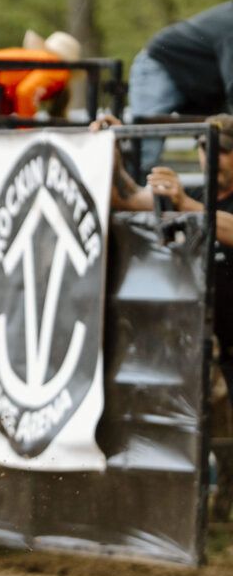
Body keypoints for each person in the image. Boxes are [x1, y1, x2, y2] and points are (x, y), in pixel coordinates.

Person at [97, 112, 233, 519]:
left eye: (223, 150)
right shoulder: (192, 193)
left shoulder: (192, 198)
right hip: (206, 343)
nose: (213, 157)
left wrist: (186, 205)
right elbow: (126, 198)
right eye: (207, 148)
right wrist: (113, 151)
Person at [129, 0, 233, 171]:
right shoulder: (230, 23)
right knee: (144, 151)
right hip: (161, 66)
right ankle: (131, 192)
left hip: (202, 86)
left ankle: (217, 196)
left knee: (224, 142)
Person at [0, 29, 82, 118]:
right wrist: (26, 134)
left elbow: (10, 94)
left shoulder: (38, 59)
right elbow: (25, 93)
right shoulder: (58, 70)